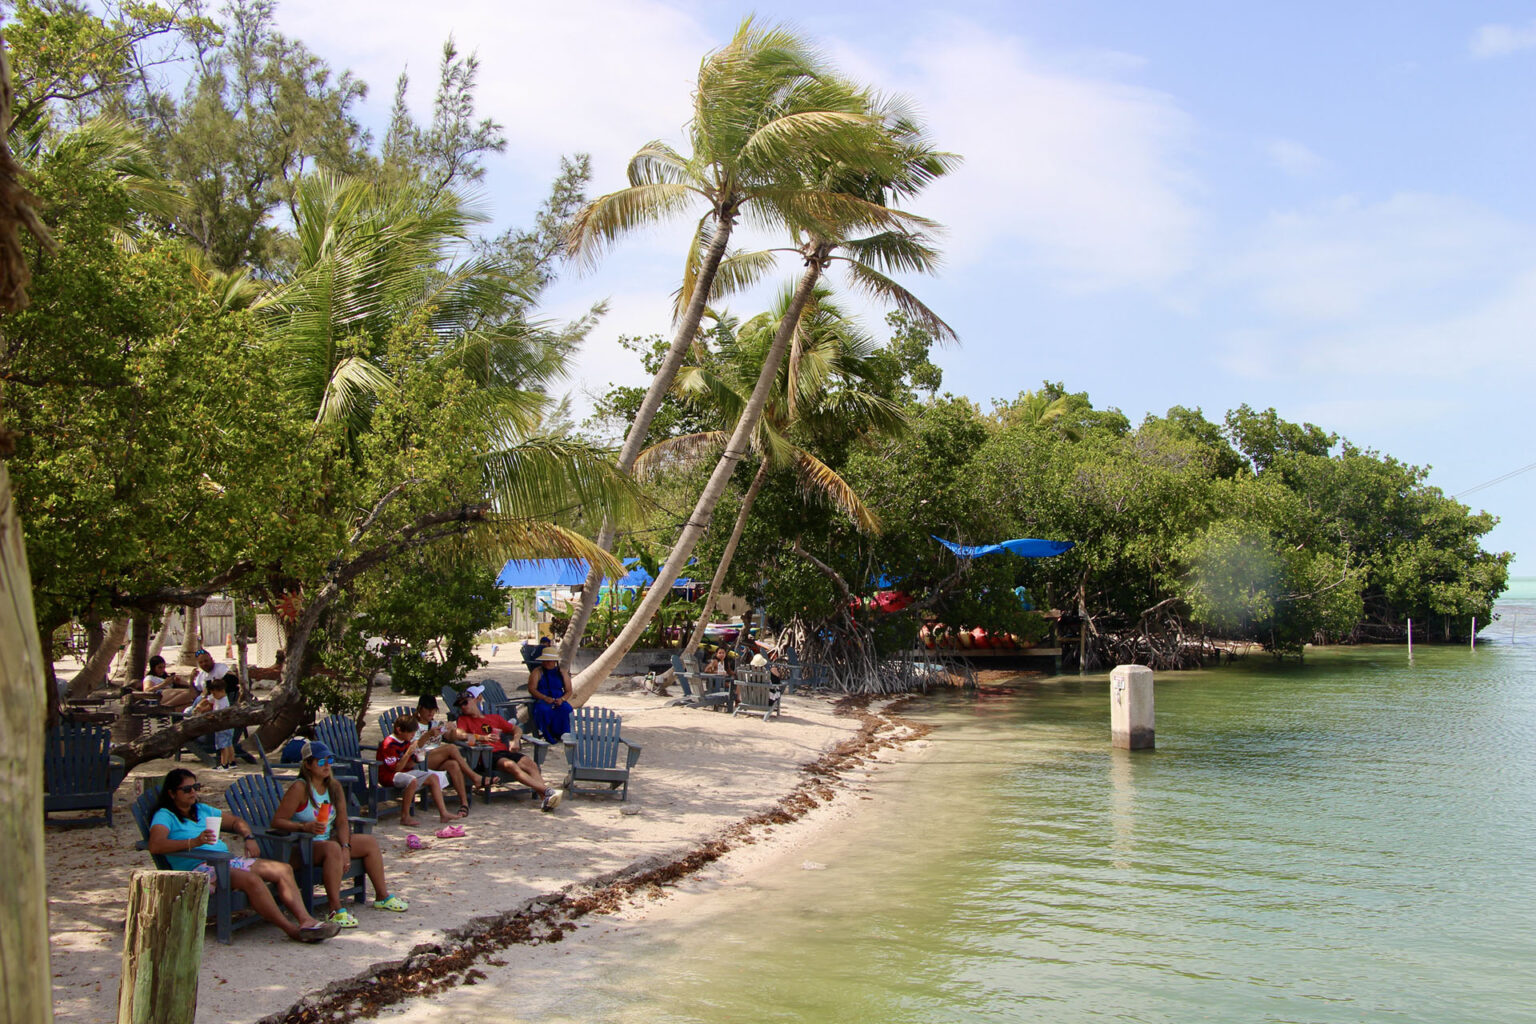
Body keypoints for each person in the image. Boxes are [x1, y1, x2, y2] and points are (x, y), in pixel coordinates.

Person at [146, 767, 340, 942]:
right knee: (251, 880)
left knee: (283, 869)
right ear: (172, 793)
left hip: (225, 862)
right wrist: (193, 842)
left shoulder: (202, 809)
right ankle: (291, 930)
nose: (193, 792)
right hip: (198, 869)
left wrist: (248, 837)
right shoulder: (165, 815)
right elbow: (155, 845)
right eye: (186, 789)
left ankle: (306, 921)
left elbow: (236, 822)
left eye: (195, 787)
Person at [272, 740, 408, 927]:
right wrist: (304, 827)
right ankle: (335, 909)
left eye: (329, 760)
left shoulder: (334, 787)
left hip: (328, 841)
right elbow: (277, 821)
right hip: (301, 845)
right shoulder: (300, 788)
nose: (327, 765)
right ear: (308, 765)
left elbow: (342, 821)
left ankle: (382, 896)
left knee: (368, 842)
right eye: (321, 761)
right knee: (332, 848)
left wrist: (346, 847)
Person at [456, 688, 563, 811]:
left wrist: (515, 741)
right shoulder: (464, 720)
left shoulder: (494, 718)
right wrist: (482, 737)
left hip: (504, 752)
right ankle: (546, 791)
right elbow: (460, 735)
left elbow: (516, 729)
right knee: (511, 765)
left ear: (476, 700)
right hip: (487, 755)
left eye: (465, 702)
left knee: (531, 764)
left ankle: (545, 799)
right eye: (460, 705)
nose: (462, 707)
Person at [376, 716, 458, 827]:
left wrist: (416, 759)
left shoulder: (405, 741)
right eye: (411, 733)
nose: (413, 736)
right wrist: (408, 753)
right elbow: (396, 769)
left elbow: (409, 764)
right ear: (399, 730)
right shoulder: (389, 744)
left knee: (433, 777)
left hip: (404, 772)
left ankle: (444, 814)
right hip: (389, 776)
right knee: (412, 781)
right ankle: (405, 817)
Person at [411, 695, 481, 813]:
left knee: (453, 764)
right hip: (419, 760)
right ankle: (474, 776)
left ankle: (464, 803)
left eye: (433, 709)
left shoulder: (436, 724)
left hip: (436, 759)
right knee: (451, 748)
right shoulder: (413, 725)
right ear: (420, 708)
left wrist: (452, 729)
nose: (431, 712)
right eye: (428, 709)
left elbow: (451, 738)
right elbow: (414, 747)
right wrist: (429, 734)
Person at [527, 646, 574, 745]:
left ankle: (563, 734)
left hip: (558, 698)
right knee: (544, 710)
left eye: (550, 660)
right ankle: (547, 734)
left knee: (566, 709)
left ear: (554, 661)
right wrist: (544, 697)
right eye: (545, 660)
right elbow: (532, 689)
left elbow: (569, 690)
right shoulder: (537, 672)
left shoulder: (562, 673)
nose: (547, 663)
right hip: (542, 699)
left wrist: (562, 699)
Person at [187, 675, 235, 769]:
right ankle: (232, 762)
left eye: (214, 693)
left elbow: (217, 715)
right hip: (226, 726)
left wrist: (207, 717)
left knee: (223, 746)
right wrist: (199, 707)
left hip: (223, 727)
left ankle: (224, 764)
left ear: (221, 691)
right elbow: (207, 700)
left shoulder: (223, 703)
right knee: (229, 744)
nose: (213, 695)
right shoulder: (217, 697)